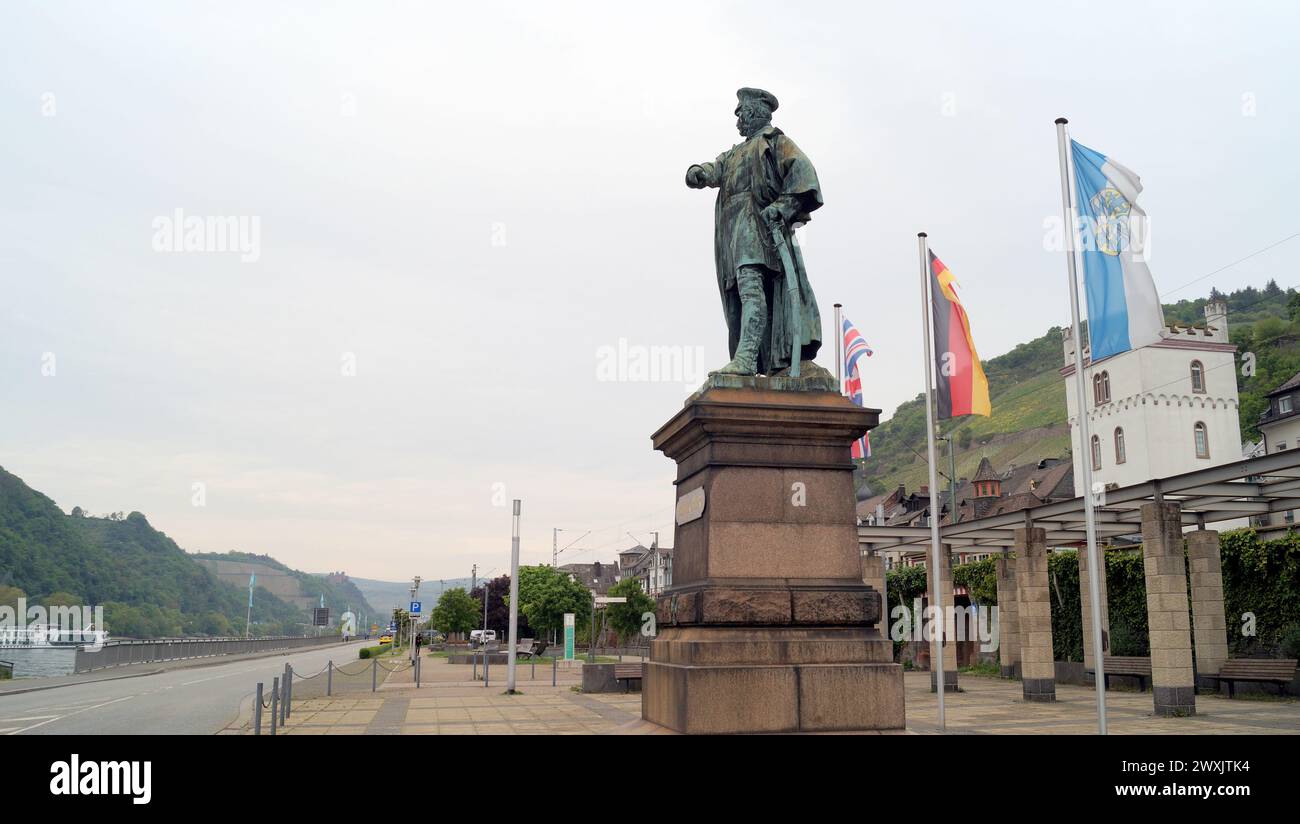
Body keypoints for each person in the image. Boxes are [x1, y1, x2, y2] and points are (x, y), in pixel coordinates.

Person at [685, 87, 824, 376]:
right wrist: (699, 171)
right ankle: (755, 357)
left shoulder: (776, 142)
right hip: (732, 233)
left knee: (751, 288)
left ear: (756, 112)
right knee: (739, 293)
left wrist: (784, 207)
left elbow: (805, 175)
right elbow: (715, 169)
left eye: (741, 111)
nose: (737, 117)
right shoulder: (735, 152)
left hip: (757, 225)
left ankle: (746, 358)